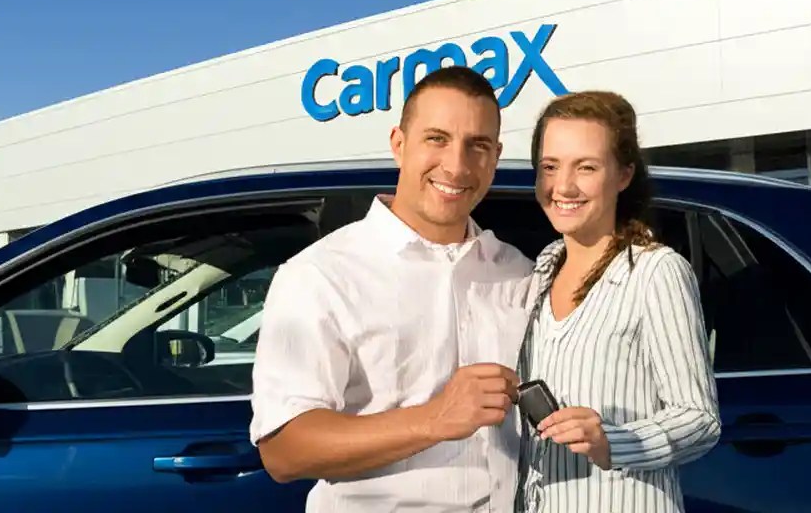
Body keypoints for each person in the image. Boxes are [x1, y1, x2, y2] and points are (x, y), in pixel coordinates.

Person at [249, 65, 538, 512]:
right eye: (436, 139)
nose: (457, 165)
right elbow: (284, 451)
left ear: (495, 156)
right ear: (399, 144)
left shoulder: (518, 272)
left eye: (477, 146)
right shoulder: (321, 275)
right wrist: (435, 419)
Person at [516, 91, 721, 513]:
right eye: (549, 167)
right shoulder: (537, 275)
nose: (563, 186)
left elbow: (700, 419)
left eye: (586, 167)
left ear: (624, 175)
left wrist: (616, 441)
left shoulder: (654, 272)